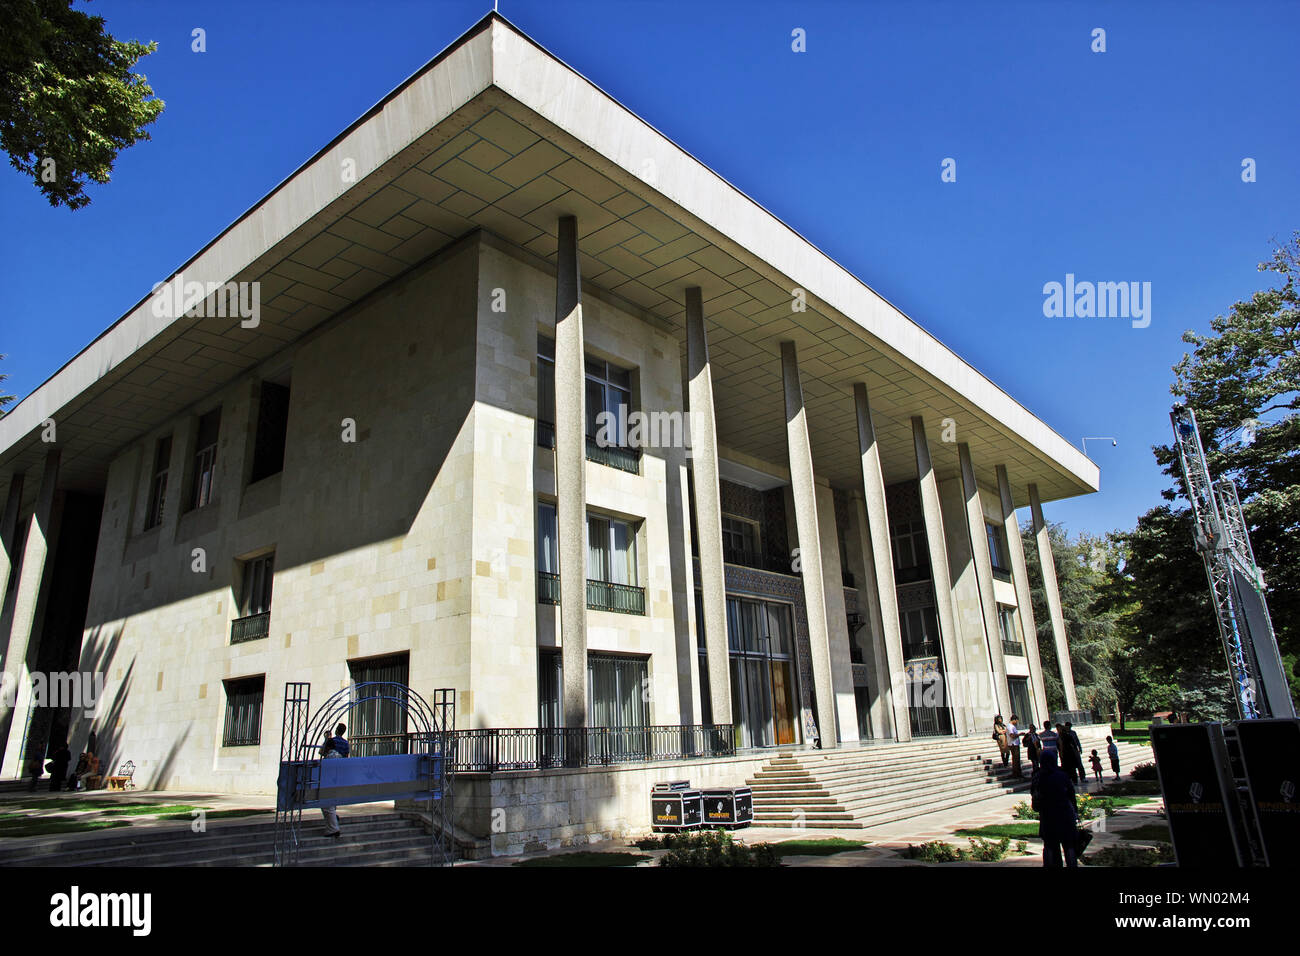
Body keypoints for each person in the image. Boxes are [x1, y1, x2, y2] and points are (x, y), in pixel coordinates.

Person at [1032, 751, 1078, 867]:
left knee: (1050, 847)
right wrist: (1075, 813)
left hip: (1048, 817)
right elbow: (1071, 796)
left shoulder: (1038, 777)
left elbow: (1035, 802)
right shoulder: (1062, 775)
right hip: (1065, 815)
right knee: (1069, 846)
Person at [319, 732, 342, 838]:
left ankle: (333, 828)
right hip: (336, 784)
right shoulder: (337, 755)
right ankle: (333, 825)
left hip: (330, 784)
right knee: (330, 807)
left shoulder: (330, 757)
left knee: (327, 806)